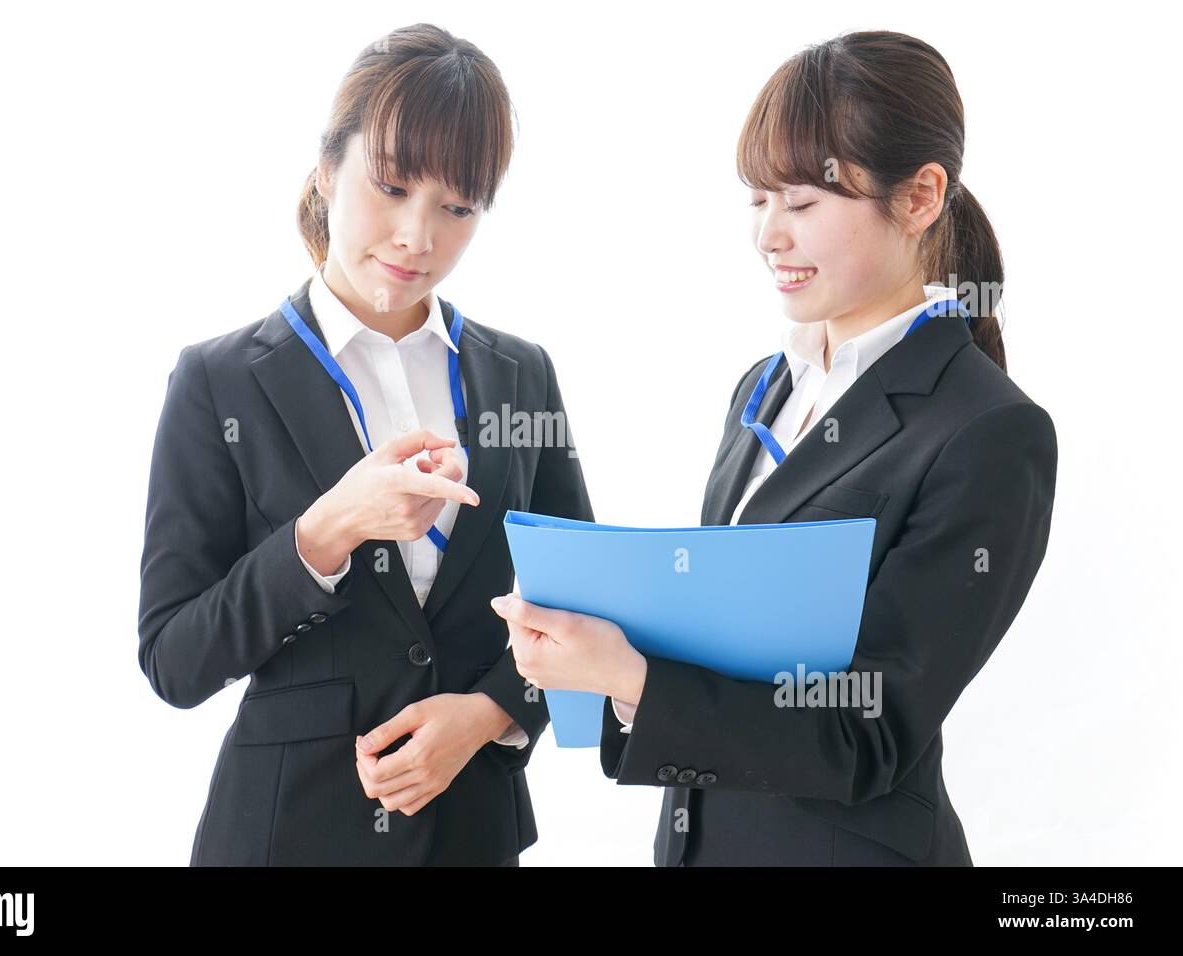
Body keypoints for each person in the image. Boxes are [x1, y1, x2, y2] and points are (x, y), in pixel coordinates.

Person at [490, 30, 1057, 866]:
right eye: (759, 200)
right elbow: (729, 639)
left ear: (920, 197)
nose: (769, 237)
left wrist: (632, 677)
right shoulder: (766, 384)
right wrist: (606, 654)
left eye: (803, 204)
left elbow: (868, 730)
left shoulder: (990, 433)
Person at [138, 23, 592, 866]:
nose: (419, 237)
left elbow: (588, 602)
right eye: (390, 188)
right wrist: (325, 534)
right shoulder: (219, 380)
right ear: (326, 171)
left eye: (457, 208)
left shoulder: (519, 376)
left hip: (471, 829)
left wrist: (493, 714)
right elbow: (173, 658)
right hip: (285, 833)